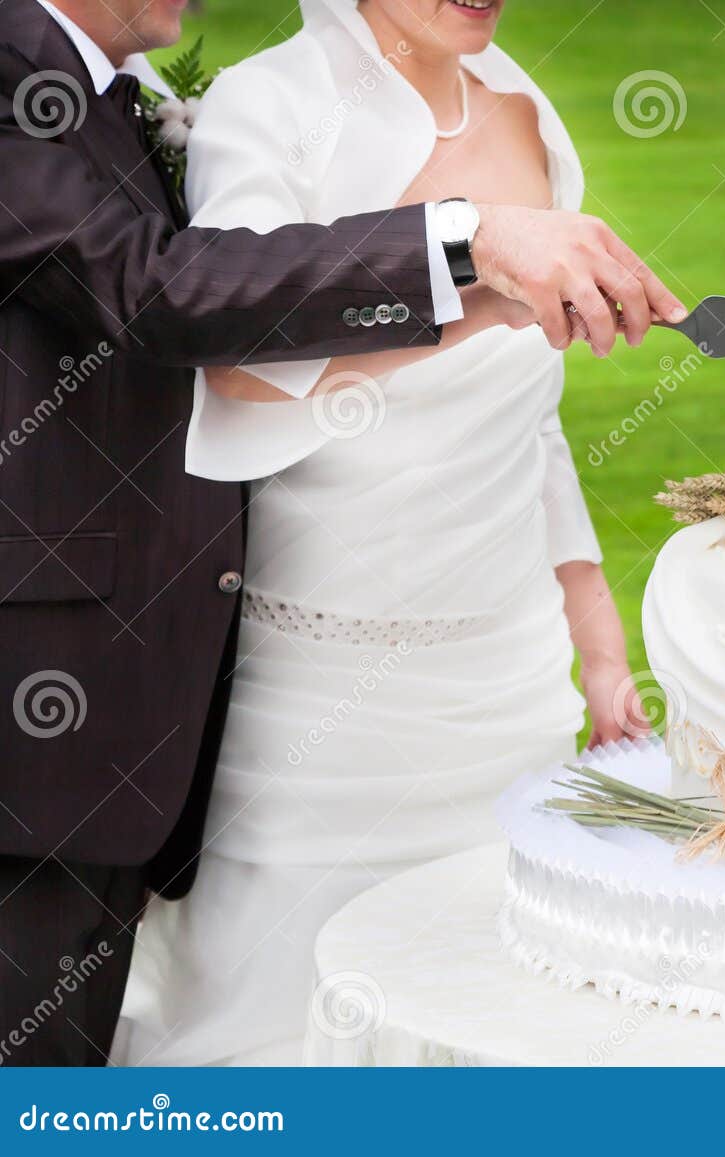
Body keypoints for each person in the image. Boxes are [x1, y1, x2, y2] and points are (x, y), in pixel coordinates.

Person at [0, 0, 680, 1066]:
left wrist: (593, 636)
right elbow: (217, 348)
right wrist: (478, 267)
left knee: (503, 1022)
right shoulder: (268, 107)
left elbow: (527, 409)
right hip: (322, 695)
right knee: (279, 1035)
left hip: (506, 690)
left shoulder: (527, 112)